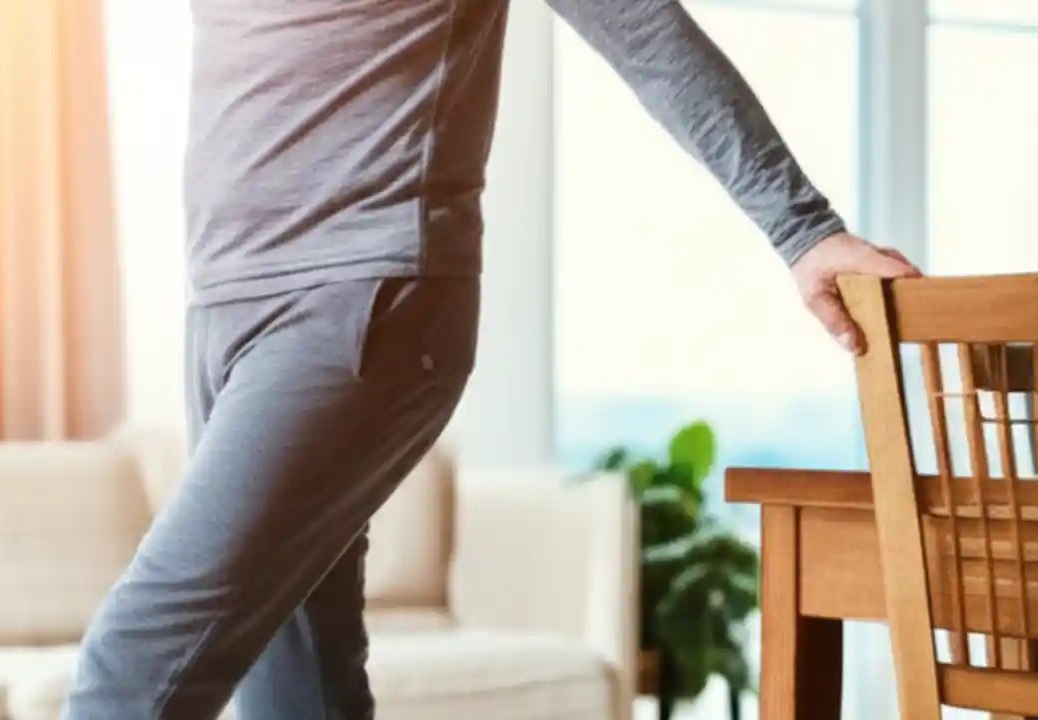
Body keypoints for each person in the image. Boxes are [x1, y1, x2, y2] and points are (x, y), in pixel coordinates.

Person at [62, 1, 920, 718]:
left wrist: (801, 227)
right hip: (224, 303)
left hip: (362, 298)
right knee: (296, 690)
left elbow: (645, 30)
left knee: (130, 671)